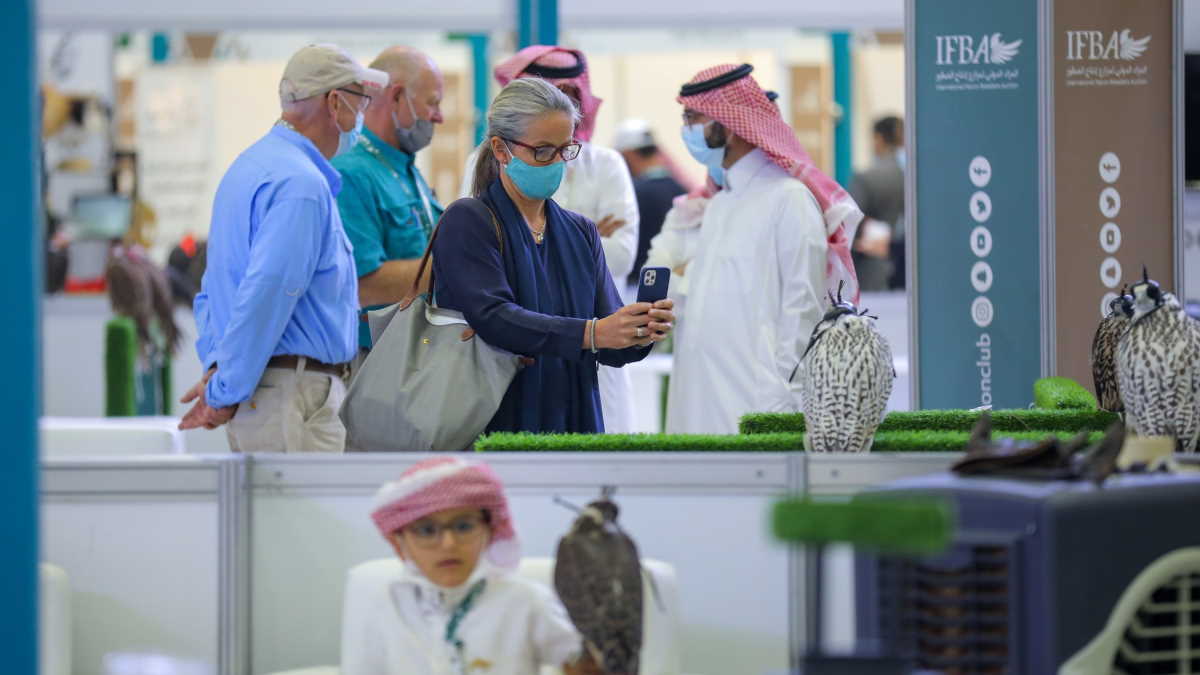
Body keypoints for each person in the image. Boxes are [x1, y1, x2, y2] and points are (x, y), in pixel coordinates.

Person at [179, 44, 387, 452]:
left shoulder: (250, 167)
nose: (361, 117)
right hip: (292, 396)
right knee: (308, 518)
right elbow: (268, 292)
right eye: (360, 102)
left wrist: (219, 369)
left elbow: (213, 289)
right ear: (335, 102)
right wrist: (225, 390)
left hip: (268, 391)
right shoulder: (302, 186)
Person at [436, 77, 674, 434]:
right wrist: (593, 333)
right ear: (502, 150)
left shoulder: (579, 232)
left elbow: (608, 345)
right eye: (543, 150)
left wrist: (638, 329)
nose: (557, 162)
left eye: (565, 150)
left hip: (573, 420)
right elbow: (495, 318)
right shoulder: (468, 220)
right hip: (497, 419)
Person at [666, 63, 861, 435]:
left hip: (756, 396)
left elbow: (802, 307)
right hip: (701, 390)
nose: (686, 130)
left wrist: (784, 400)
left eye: (694, 117)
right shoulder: (722, 202)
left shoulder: (788, 199)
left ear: (732, 124)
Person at [344, 456, 601, 674]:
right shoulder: (384, 604)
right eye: (426, 529)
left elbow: (585, 665)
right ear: (399, 541)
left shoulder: (525, 601)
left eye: (464, 526)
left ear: (490, 530)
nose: (448, 543)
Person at [333, 47, 445, 357]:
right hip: (375, 361)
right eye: (433, 103)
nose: (440, 116)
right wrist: (459, 270)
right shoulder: (352, 174)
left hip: (419, 353)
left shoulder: (406, 169)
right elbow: (364, 285)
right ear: (396, 97)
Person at [612, 120, 687, 291]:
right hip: (674, 287)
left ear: (628, 154)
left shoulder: (631, 194)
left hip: (638, 290)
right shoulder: (680, 189)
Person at [848, 115, 905, 291]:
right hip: (912, 273)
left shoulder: (867, 178)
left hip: (872, 273)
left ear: (878, 139)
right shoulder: (919, 175)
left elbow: (849, 225)